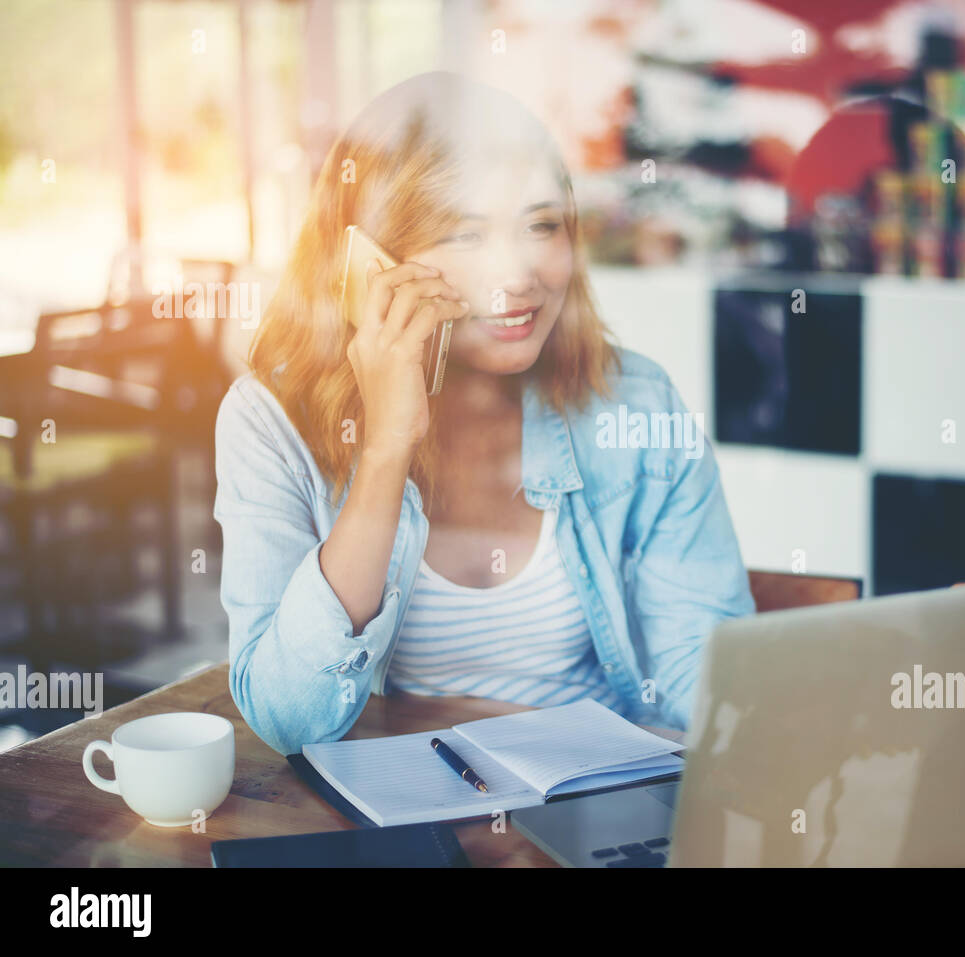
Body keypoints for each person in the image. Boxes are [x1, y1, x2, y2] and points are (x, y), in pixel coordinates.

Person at [214, 72, 754, 757]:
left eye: (540, 225)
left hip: (590, 801)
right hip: (387, 813)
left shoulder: (637, 404)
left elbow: (692, 671)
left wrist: (821, 707)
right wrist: (385, 448)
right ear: (366, 262)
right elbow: (289, 719)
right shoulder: (269, 423)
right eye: (466, 235)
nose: (519, 274)